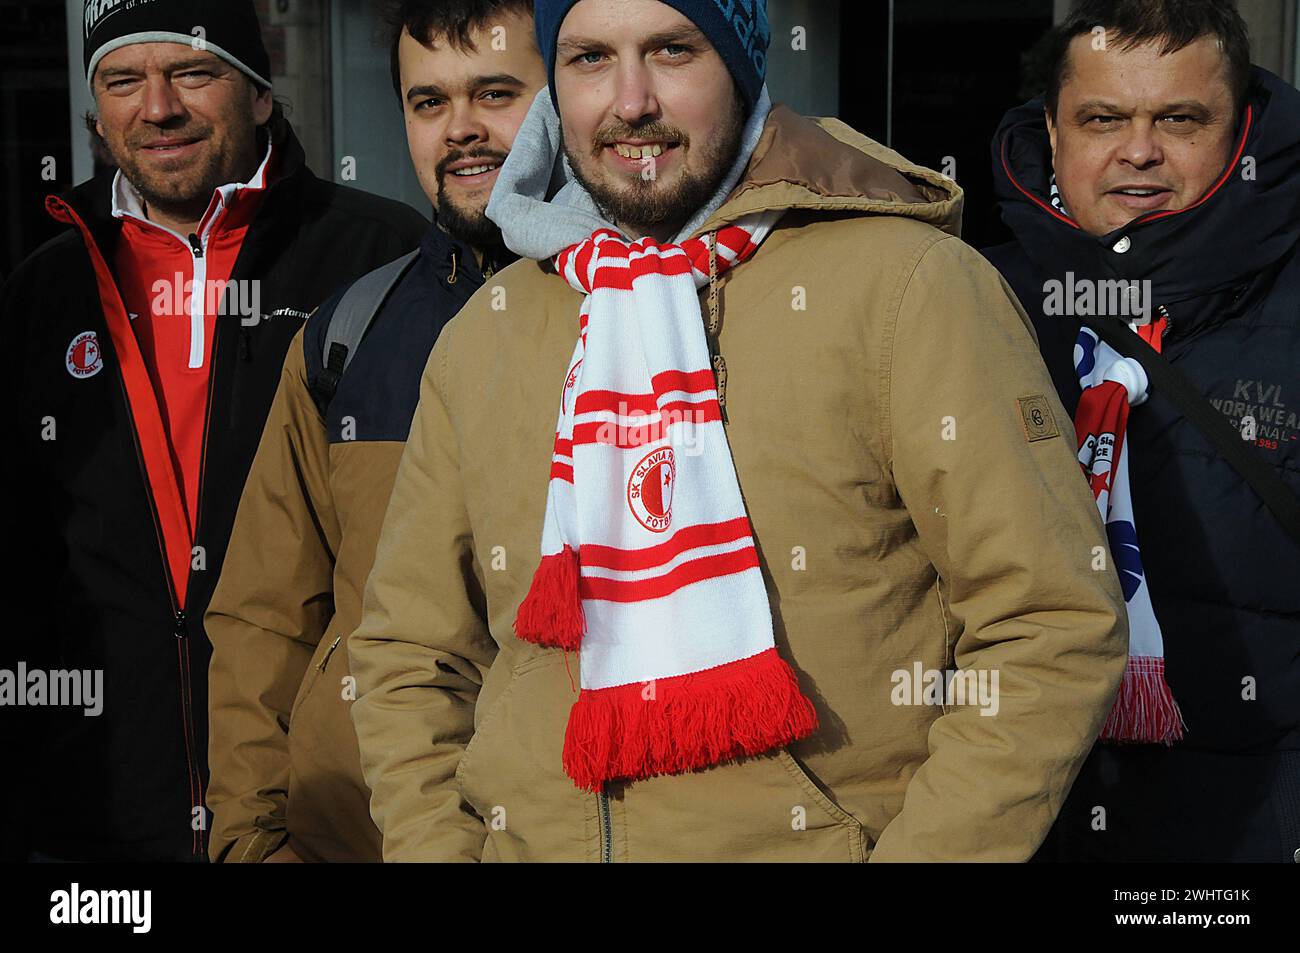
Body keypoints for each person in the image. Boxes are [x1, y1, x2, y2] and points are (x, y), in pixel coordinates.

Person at [346, 0, 1129, 862]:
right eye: (589, 58)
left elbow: (1048, 623)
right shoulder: (489, 330)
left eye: (672, 51)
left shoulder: (912, 289)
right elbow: (409, 654)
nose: (630, 100)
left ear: (745, 66)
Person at [0, 0, 427, 862]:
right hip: (102, 814)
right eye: (124, 80)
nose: (157, 108)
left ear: (263, 94)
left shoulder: (383, 259)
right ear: (95, 112)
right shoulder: (42, 293)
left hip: (331, 806)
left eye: (193, 73)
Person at [204, 0, 546, 864]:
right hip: (353, 835)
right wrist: (248, 838)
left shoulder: (655, 318)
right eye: (428, 103)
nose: (460, 129)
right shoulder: (346, 332)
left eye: (495, 93)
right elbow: (264, 616)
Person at [985, 0, 1300, 862]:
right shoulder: (966, 300)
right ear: (1051, 133)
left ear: (1239, 132)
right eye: (1102, 118)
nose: (1138, 151)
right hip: (1017, 818)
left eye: (1179, 119)